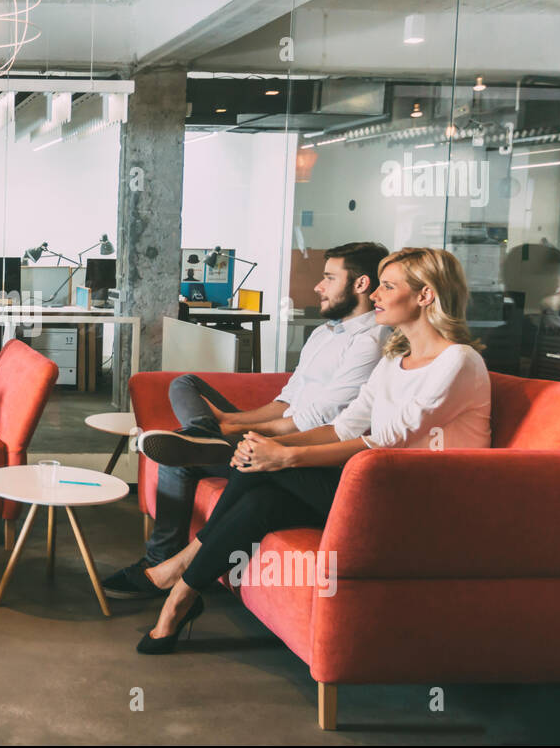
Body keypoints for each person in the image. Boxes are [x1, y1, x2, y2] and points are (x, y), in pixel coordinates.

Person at [135, 247, 491, 654]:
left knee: (267, 469)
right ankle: (181, 597)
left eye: (388, 286)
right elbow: (345, 426)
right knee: (260, 501)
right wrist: (268, 446)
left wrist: (284, 455)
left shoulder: (457, 361)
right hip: (372, 486)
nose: (375, 294)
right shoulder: (396, 360)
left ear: (426, 296)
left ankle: (182, 570)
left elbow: (384, 440)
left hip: (419, 505)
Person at [101, 241, 391, 599]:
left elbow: (315, 420)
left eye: (329, 277)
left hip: (307, 442)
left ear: (360, 284)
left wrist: (233, 429)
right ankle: (202, 437)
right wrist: (231, 419)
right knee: (185, 384)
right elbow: (286, 400)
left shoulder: (372, 341)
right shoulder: (323, 333)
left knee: (180, 458)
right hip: (279, 427)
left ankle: (162, 552)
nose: (318, 286)